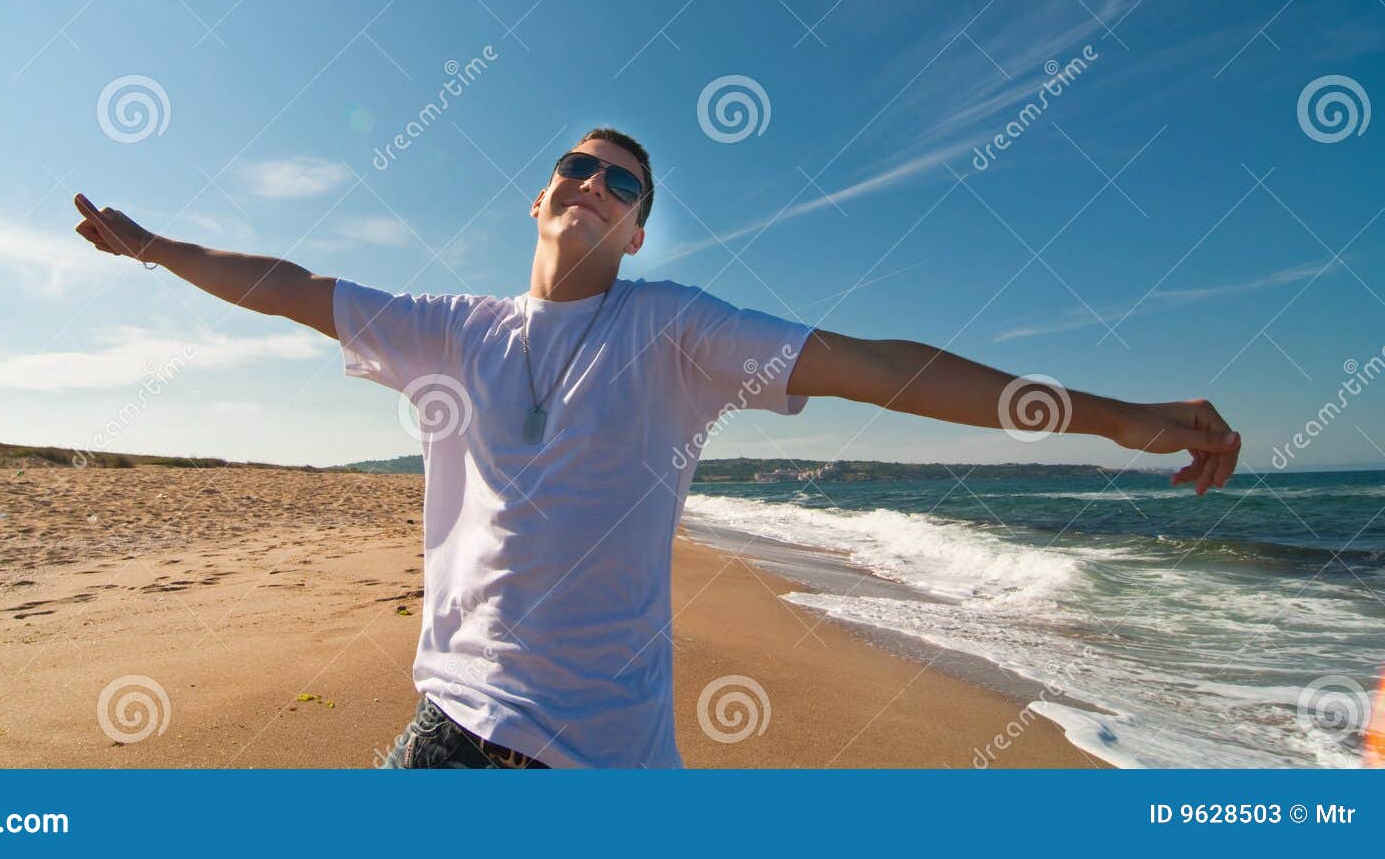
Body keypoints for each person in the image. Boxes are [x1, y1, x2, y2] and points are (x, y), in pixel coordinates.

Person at [72, 126, 1240, 769]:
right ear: (540, 198)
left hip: (593, 756)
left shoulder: (677, 331)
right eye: (575, 166)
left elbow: (883, 367)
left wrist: (1111, 415)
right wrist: (164, 248)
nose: (591, 182)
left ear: (636, 228)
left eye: (619, 181)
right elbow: (295, 288)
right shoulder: (452, 328)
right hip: (445, 723)